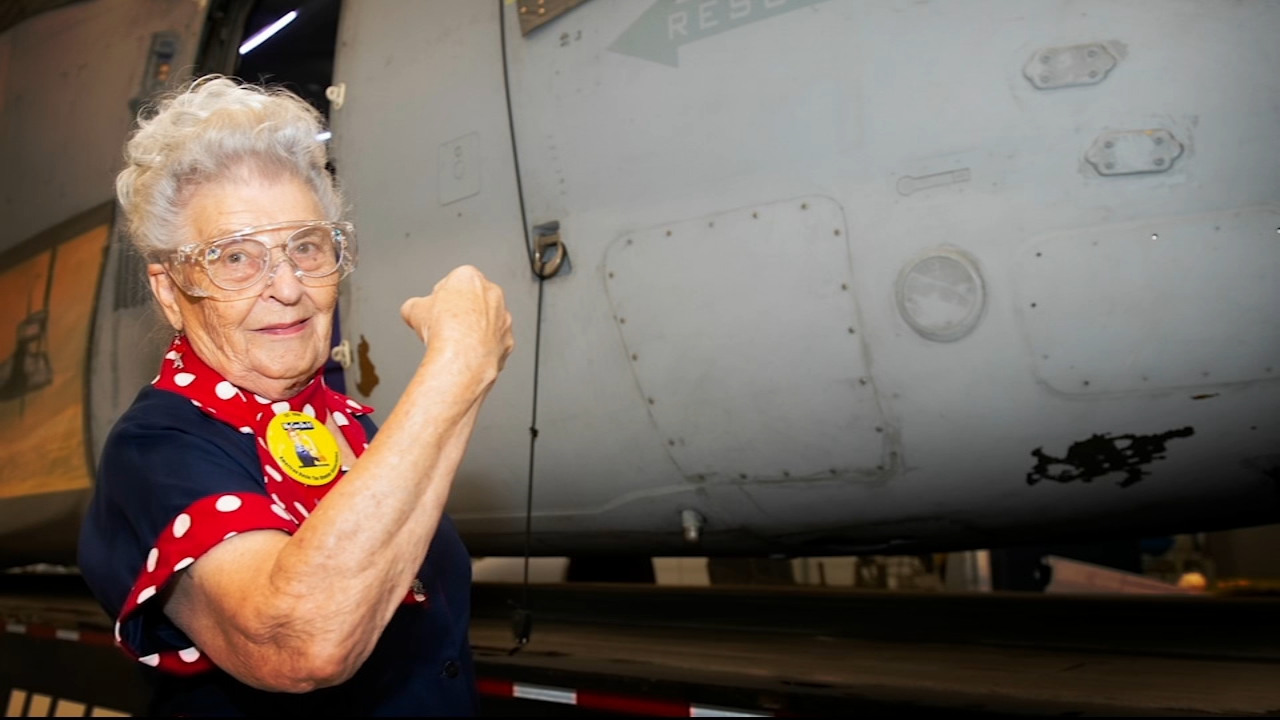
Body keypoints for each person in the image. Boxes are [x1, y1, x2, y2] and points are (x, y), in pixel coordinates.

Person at [76, 75, 514, 716]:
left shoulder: (350, 427)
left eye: (306, 247)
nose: (287, 287)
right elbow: (300, 642)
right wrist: (456, 370)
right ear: (171, 292)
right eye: (234, 258)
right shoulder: (160, 447)